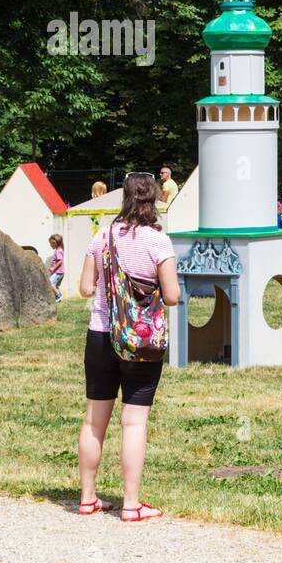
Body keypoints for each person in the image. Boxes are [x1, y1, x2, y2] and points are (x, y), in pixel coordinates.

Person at [76, 172, 180, 521]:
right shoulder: (158, 242)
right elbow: (172, 296)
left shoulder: (101, 237)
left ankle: (88, 497)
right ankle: (131, 504)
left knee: (94, 420)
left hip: (101, 334)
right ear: (153, 200)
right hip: (139, 341)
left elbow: (85, 288)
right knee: (133, 422)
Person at [47, 234, 65, 299]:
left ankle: (58, 296)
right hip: (60, 272)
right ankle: (58, 298)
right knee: (56, 286)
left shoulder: (58, 251)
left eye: (51, 244)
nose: (50, 245)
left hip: (58, 272)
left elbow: (60, 261)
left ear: (54, 243)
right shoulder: (59, 250)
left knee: (50, 283)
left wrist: (53, 268)